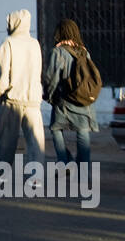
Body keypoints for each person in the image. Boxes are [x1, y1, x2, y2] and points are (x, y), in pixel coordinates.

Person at [0, 9, 45, 179]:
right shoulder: (35, 43)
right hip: (32, 98)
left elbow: (3, 71)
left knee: (7, 139)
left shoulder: (9, 42)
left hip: (12, 99)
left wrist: (0, 91)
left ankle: (1, 171)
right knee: (35, 141)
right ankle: (36, 176)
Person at [42, 19, 100, 168]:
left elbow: (51, 78)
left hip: (65, 100)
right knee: (82, 131)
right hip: (84, 100)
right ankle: (83, 167)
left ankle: (64, 162)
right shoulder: (84, 51)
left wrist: (49, 96)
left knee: (56, 129)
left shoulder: (57, 52)